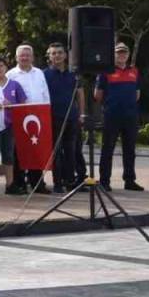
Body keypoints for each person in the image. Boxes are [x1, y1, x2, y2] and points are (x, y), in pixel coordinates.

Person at [95, 42, 144, 192]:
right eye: (118, 52)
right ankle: (104, 181)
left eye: (124, 52)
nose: (121, 55)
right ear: (113, 55)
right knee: (107, 149)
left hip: (130, 116)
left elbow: (137, 94)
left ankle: (129, 180)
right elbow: (97, 95)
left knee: (129, 149)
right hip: (111, 116)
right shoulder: (105, 72)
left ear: (128, 55)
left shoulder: (134, 71)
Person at [6, 44, 53, 193]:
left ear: (32, 57)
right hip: (19, 116)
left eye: (27, 55)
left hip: (38, 115)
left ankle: (37, 183)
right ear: (16, 57)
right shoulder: (11, 75)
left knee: (36, 149)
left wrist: (47, 110)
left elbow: (45, 93)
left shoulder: (39, 73)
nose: (25, 57)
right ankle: (19, 183)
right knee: (18, 151)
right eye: (22, 55)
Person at [44, 42, 86, 193]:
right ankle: (57, 183)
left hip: (72, 118)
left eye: (60, 53)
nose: (57, 56)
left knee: (71, 150)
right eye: (53, 53)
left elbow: (80, 94)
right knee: (56, 152)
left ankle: (70, 181)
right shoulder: (44, 74)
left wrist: (81, 114)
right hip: (53, 118)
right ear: (49, 56)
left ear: (65, 55)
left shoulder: (74, 73)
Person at [0, 56, 24, 196]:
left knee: (9, 155)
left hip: (10, 124)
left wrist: (11, 105)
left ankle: (10, 184)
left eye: (1, 66)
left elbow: (23, 105)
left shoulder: (14, 85)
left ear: (6, 68)